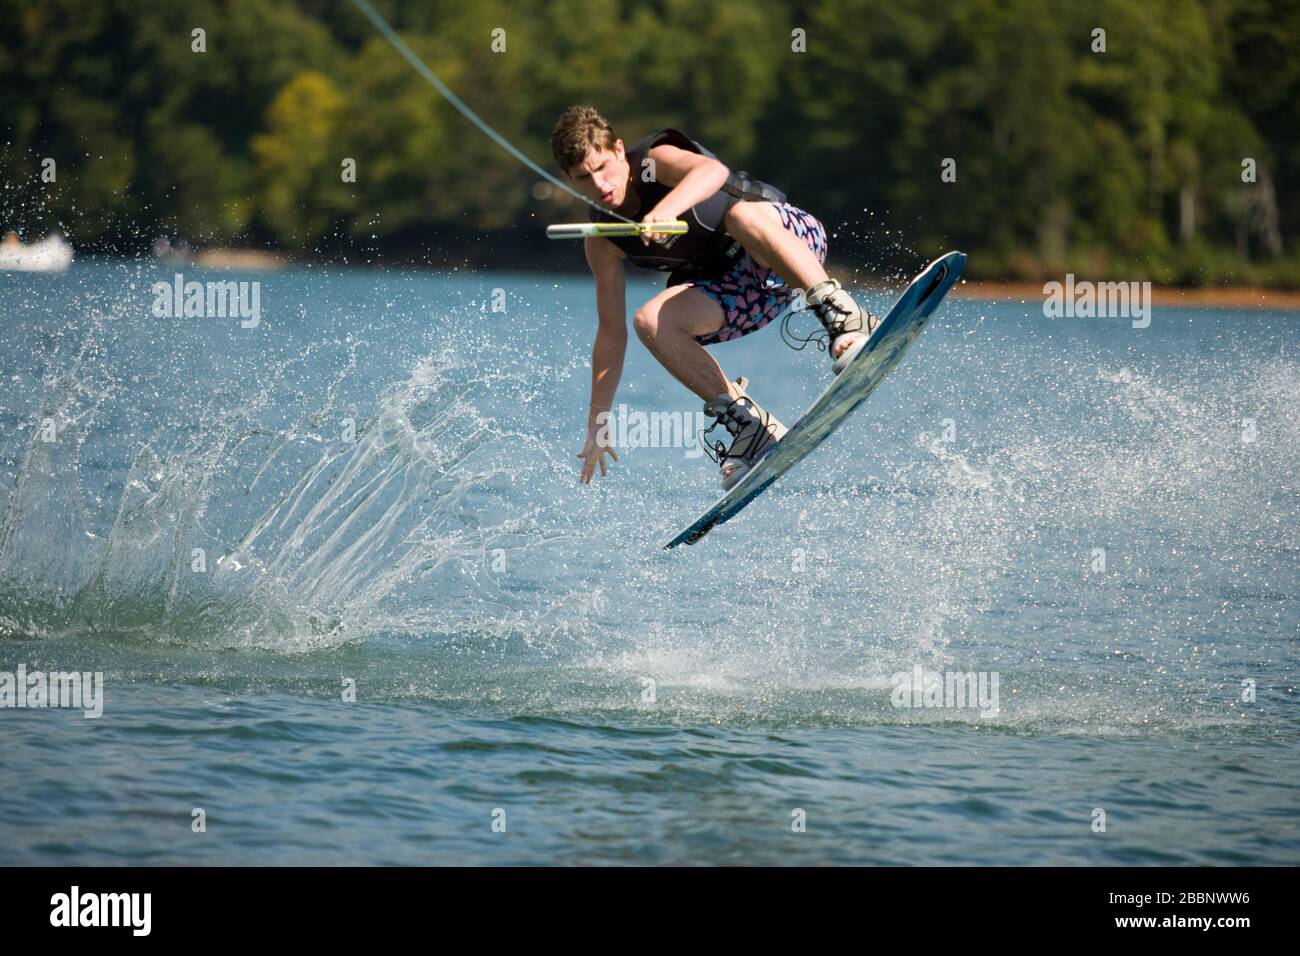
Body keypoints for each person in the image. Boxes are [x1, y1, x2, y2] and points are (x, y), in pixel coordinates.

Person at [551, 105, 878, 488]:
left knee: (741, 216)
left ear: (619, 150)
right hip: (741, 295)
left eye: (603, 167)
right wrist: (598, 422)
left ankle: (842, 314)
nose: (600, 185)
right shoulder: (603, 239)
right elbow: (610, 333)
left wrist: (667, 208)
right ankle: (751, 426)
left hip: (790, 247)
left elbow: (712, 172)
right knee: (649, 321)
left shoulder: (654, 161)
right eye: (584, 178)